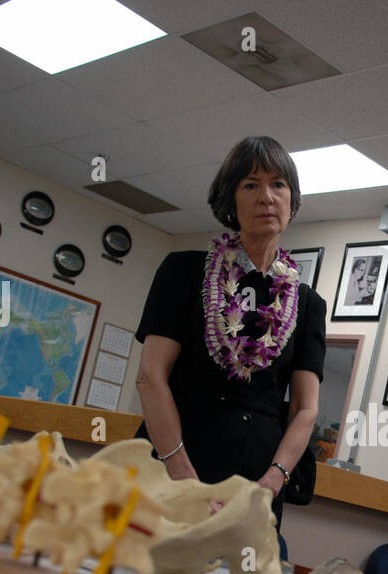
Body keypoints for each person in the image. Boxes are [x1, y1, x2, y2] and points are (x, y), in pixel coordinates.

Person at [134, 135, 326, 530]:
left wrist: (272, 482)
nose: (267, 198)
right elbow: (150, 377)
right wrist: (184, 477)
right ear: (230, 201)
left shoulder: (307, 304)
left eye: (278, 185)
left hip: (256, 483)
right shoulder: (183, 272)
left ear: (292, 200)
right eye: (251, 185)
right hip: (177, 460)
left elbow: (305, 409)